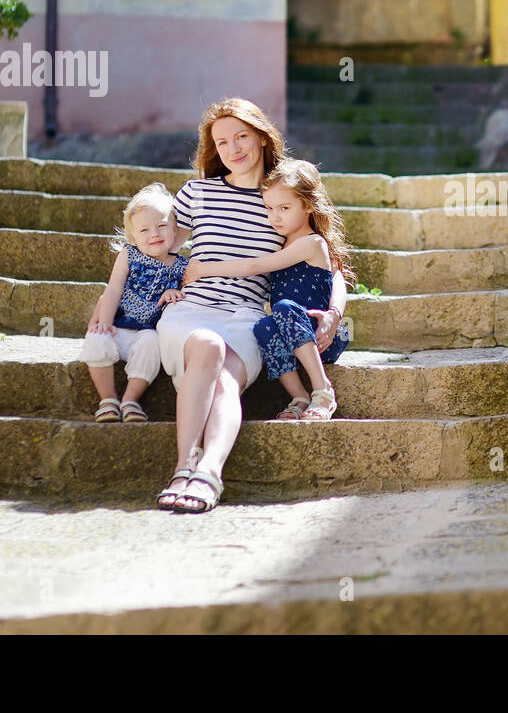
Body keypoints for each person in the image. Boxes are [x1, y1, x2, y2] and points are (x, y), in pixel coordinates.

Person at [155, 99, 348, 513]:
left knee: (225, 378)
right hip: (192, 312)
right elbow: (154, 247)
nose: (233, 148)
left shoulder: (278, 199)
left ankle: (208, 472)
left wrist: (333, 313)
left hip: (245, 317)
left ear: (262, 136)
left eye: (241, 136)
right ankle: (182, 466)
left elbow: (326, 261)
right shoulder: (198, 192)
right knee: (207, 344)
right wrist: (115, 303)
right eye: (221, 141)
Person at [182, 158, 353, 422]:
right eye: (269, 207)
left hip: (319, 336)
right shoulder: (281, 241)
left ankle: (323, 390)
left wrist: (204, 269)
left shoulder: (312, 242)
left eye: (284, 207)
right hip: (287, 336)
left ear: (308, 205)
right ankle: (299, 396)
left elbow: (256, 265)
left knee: (284, 309)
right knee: (263, 326)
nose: (275, 216)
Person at [78, 183, 188, 422]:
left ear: (175, 229)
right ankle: (107, 400)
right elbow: (114, 288)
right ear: (133, 237)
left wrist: (174, 292)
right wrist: (105, 322)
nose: (154, 234)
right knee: (97, 338)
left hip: (147, 332)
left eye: (161, 226)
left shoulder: (182, 266)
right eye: (144, 230)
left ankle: (130, 400)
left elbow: (185, 296)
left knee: (152, 343)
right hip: (117, 325)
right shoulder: (129, 254)